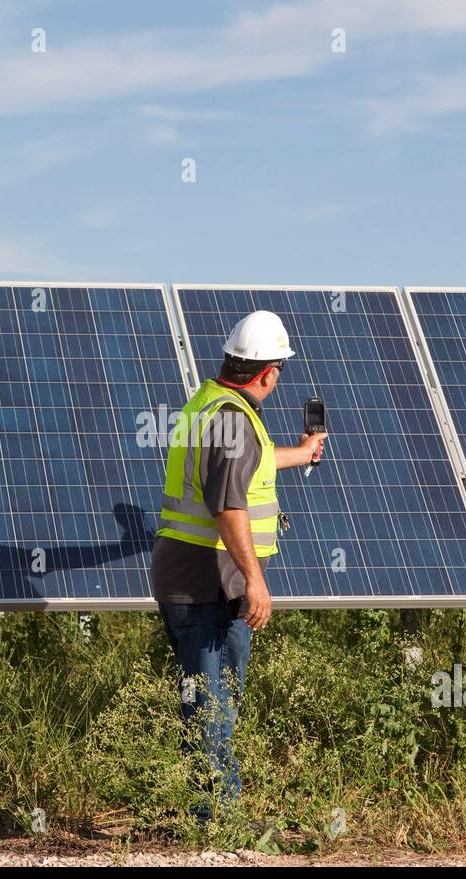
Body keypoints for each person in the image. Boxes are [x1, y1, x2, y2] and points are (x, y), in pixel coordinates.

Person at [151, 309, 327, 818]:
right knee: (212, 706)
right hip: (209, 584)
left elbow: (245, 459)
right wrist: (255, 581)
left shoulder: (212, 405)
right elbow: (228, 503)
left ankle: (203, 812)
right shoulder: (232, 417)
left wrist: (300, 452)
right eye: (280, 372)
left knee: (211, 700)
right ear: (268, 373)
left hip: (200, 582)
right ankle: (213, 822)